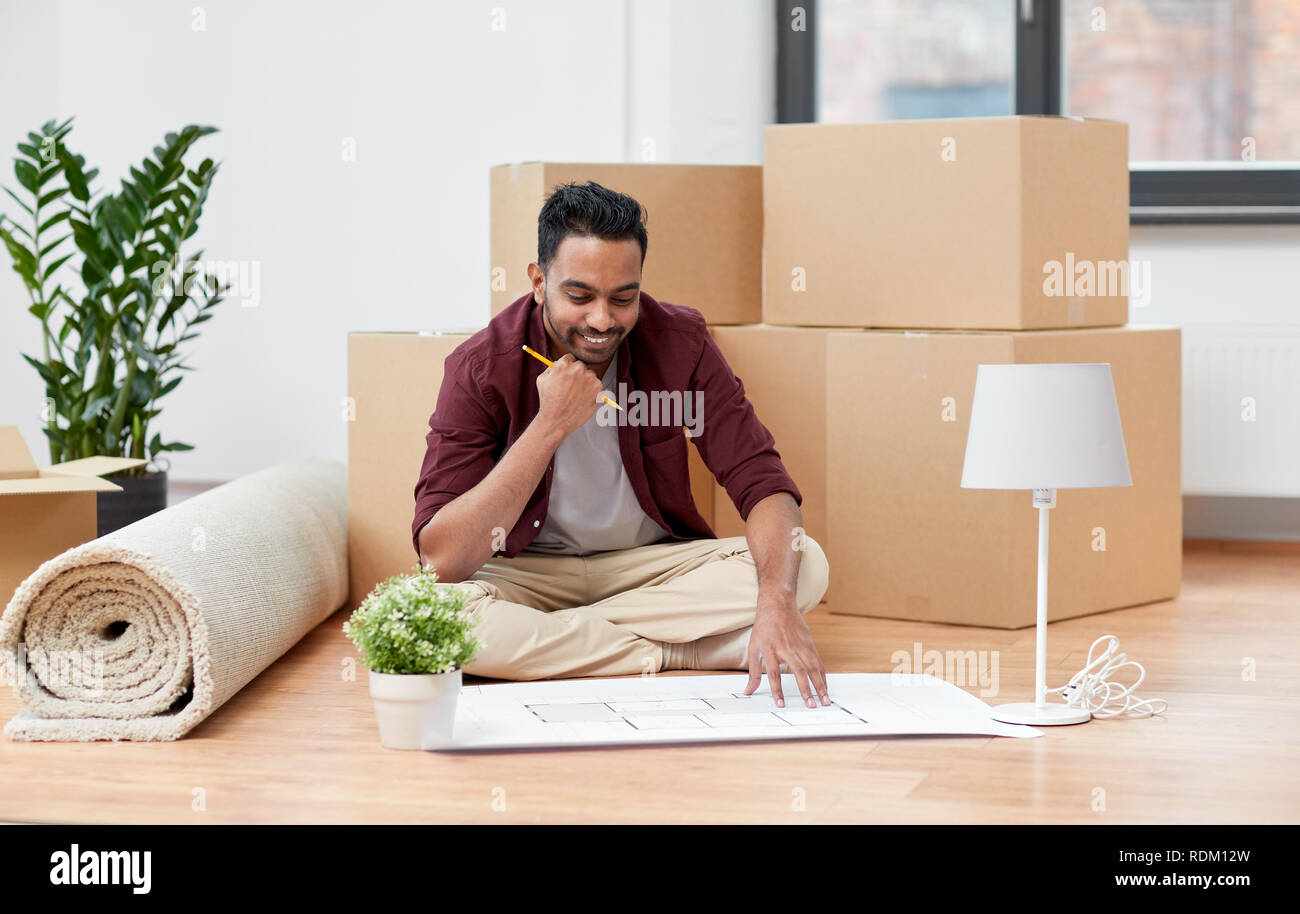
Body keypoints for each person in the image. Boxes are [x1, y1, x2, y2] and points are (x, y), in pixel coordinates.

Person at [412, 180, 831, 709]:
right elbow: (441, 559)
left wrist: (776, 602)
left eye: (623, 298)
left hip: (647, 570)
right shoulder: (481, 367)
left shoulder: (680, 342)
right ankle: (680, 654)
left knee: (805, 563)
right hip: (528, 572)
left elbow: (760, 480)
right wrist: (548, 427)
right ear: (539, 282)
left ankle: (558, 644)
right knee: (436, 614)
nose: (602, 321)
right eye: (579, 296)